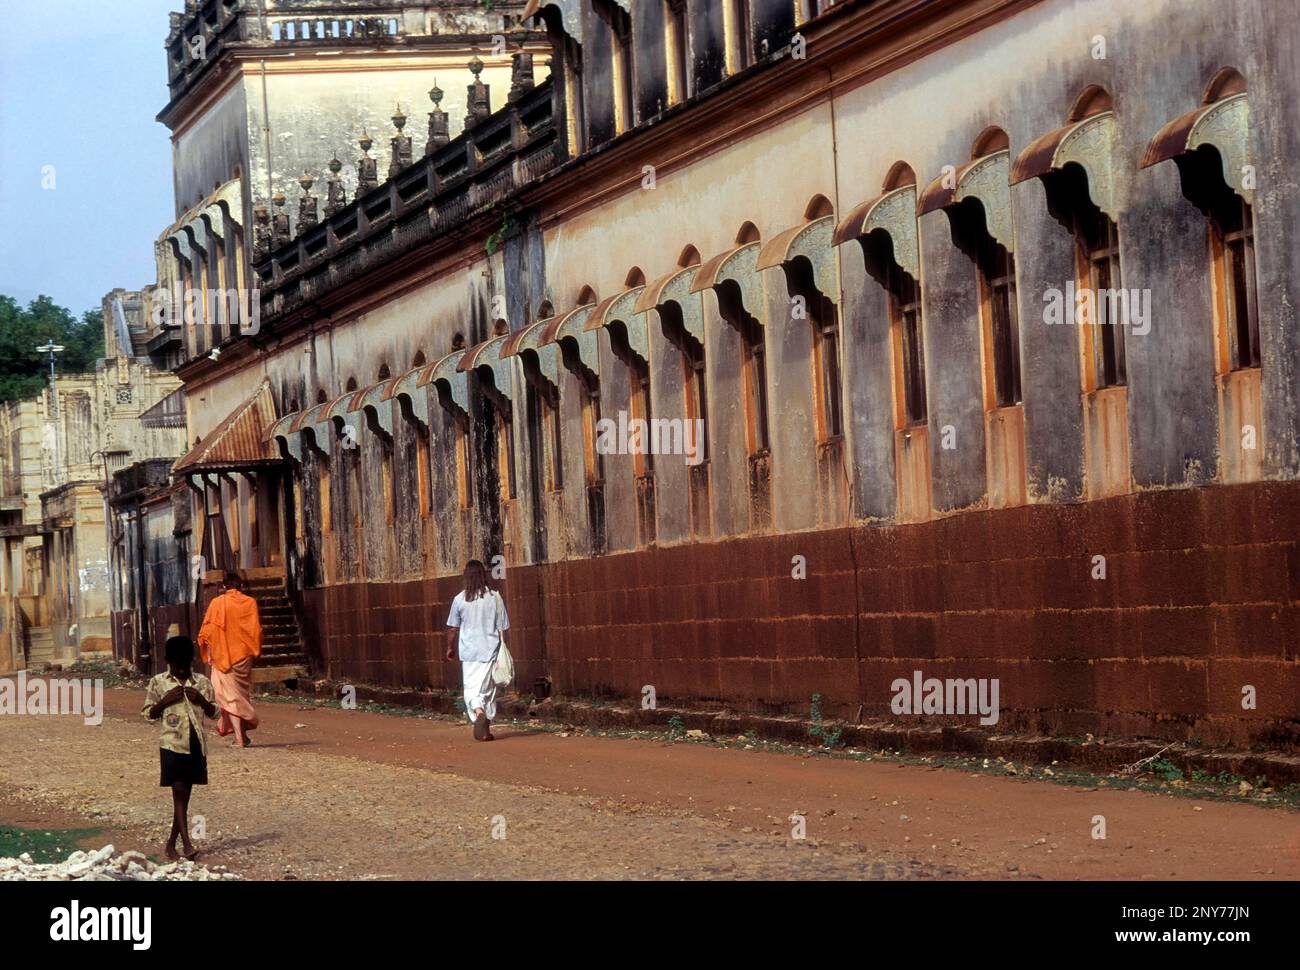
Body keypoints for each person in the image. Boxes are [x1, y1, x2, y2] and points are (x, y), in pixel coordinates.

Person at [142, 635, 218, 861]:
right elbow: (147, 714)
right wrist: (165, 701)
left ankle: (170, 846)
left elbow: (215, 713)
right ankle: (187, 844)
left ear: (191, 662)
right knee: (178, 792)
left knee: (184, 797)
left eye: (186, 666)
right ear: (168, 662)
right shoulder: (158, 682)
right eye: (177, 667)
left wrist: (202, 701)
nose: (182, 671)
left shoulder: (201, 682)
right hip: (171, 745)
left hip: (195, 745)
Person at [445, 560, 509, 742]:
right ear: (484, 575)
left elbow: (452, 628)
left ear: (466, 576)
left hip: (469, 652)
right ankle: (485, 726)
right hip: (490, 650)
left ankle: (478, 712)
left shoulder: (459, 599)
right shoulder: (495, 597)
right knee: (487, 690)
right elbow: (502, 627)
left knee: (472, 688)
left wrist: (450, 647)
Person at [198, 570, 263, 747]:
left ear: (224, 587)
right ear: (241, 586)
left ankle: (240, 739)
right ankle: (243, 736)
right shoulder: (250, 603)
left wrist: (210, 654)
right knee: (240, 695)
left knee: (230, 698)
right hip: (244, 656)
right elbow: (255, 631)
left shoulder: (217, 603)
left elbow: (208, 632)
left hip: (222, 657)